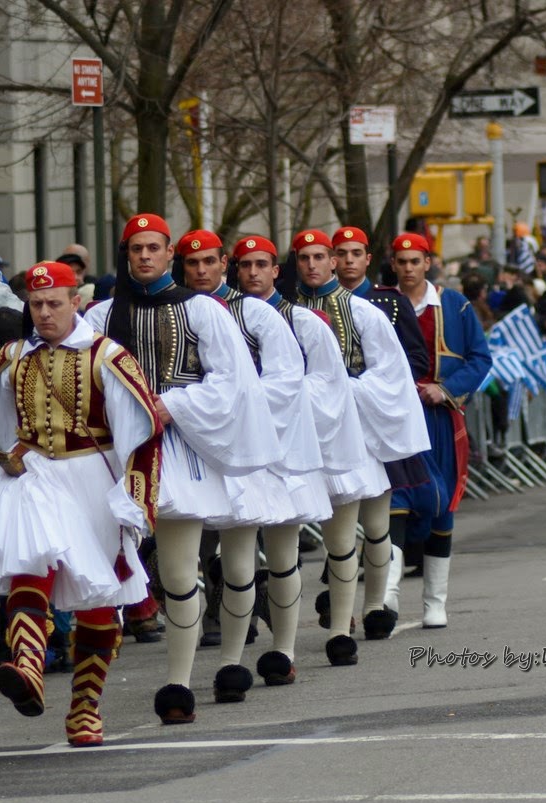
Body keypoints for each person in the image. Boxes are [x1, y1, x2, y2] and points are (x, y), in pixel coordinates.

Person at [85, 214, 277, 724]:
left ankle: (215, 669)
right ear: (126, 255)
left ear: (169, 253)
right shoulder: (102, 315)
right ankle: (176, 679)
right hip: (137, 451)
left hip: (198, 444)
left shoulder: (201, 310)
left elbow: (232, 381)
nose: (145, 256)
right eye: (136, 249)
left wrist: (171, 406)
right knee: (173, 571)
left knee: (219, 567)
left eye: (154, 248)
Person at [0, 261, 163, 746]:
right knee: (30, 560)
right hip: (34, 475)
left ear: (76, 302)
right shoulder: (14, 357)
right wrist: (8, 456)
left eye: (54, 303)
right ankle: (28, 665)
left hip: (91, 479)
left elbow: (140, 431)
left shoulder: (107, 356)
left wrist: (136, 499)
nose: (44, 313)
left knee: (99, 600)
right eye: (36, 304)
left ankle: (84, 708)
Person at [176, 232, 330, 701]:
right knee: (233, 561)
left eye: (209, 262)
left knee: (282, 557)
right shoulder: (177, 312)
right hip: (213, 449)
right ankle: (231, 661)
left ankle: (283, 650)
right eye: (192, 263)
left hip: (269, 448)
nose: (201, 271)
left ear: (222, 263)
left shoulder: (255, 313)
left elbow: (286, 380)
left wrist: (231, 405)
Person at [234, 234, 367, 686]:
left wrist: (274, 398)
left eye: (262, 265)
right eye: (245, 265)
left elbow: (330, 382)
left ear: (276, 270)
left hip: (314, 441)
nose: (253, 273)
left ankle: (339, 630)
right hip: (254, 447)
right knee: (272, 553)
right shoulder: (224, 318)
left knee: (338, 541)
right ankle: (282, 647)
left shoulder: (302, 320)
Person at [294, 228, 428, 664]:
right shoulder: (285, 313)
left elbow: (391, 372)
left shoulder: (364, 311)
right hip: (312, 433)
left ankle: (374, 605)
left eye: (320, 256)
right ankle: (340, 624)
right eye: (304, 258)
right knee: (337, 534)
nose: (312, 265)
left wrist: (343, 393)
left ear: (332, 261)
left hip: (360, 430)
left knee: (374, 526)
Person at [386, 232, 492, 631]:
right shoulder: (382, 304)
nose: (409, 268)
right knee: (394, 501)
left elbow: (480, 358)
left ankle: (435, 601)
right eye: (402, 262)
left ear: (428, 263)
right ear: (393, 265)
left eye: (415, 261)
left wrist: (445, 389)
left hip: (439, 418)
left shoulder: (455, 304)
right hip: (395, 420)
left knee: (442, 503)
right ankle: (387, 597)